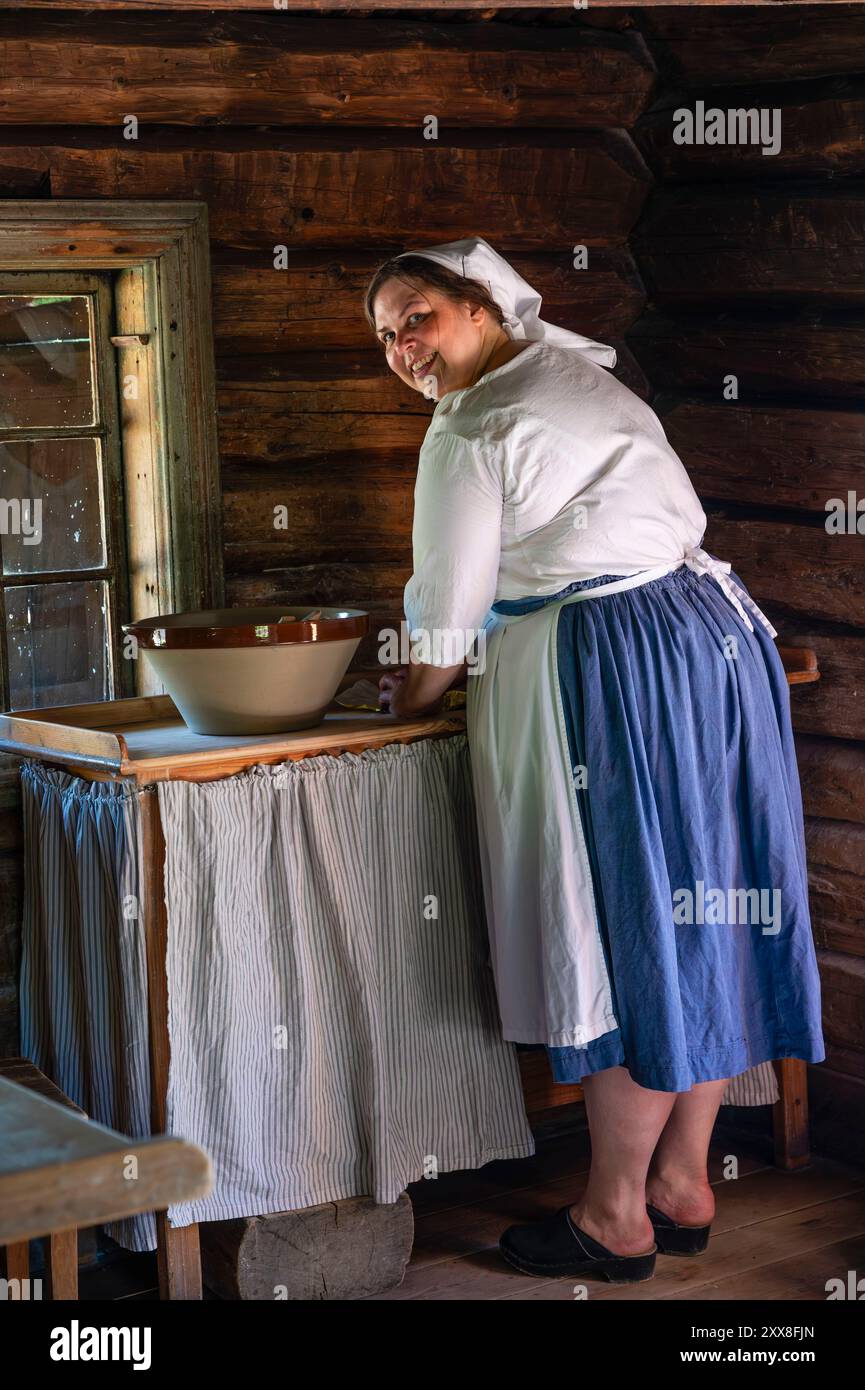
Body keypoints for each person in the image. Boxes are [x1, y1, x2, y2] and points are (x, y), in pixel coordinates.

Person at [365, 237, 825, 1285]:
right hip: (711, 640)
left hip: (616, 666)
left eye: (415, 317)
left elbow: (443, 620)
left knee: (628, 929)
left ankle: (615, 1213)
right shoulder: (570, 371)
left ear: (478, 306)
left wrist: (409, 690)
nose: (401, 346)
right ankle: (682, 1180)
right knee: (700, 912)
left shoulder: (474, 424)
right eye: (386, 336)